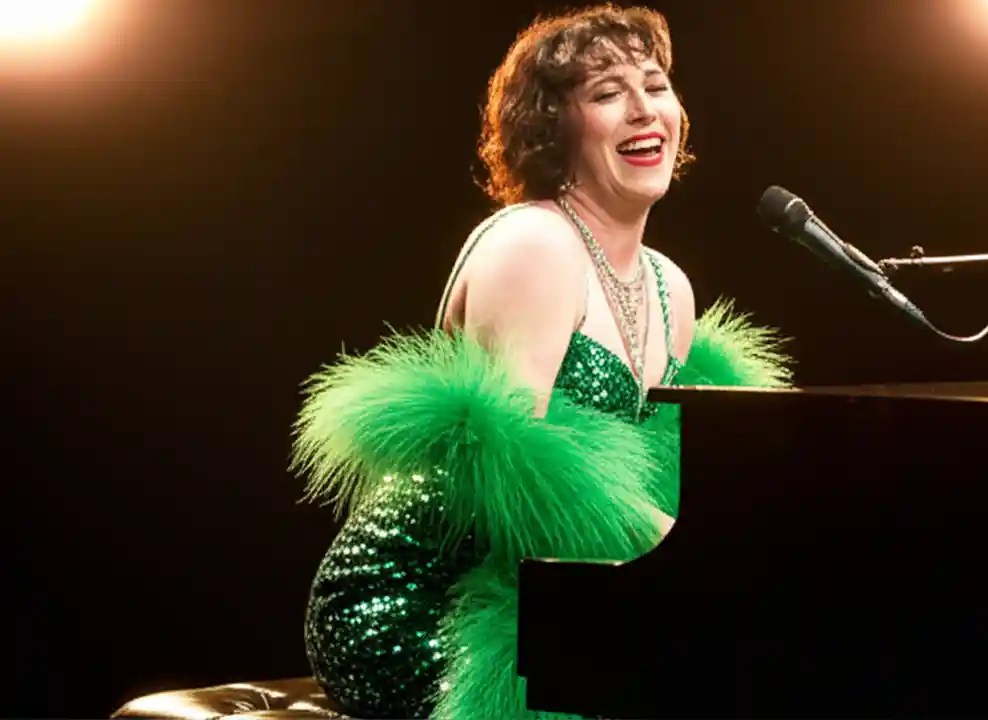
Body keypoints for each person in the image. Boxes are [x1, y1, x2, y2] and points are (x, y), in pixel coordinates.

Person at [290, 4, 793, 719]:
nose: (643, 110)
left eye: (654, 85)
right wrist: (679, 553)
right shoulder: (535, 241)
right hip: (423, 601)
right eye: (606, 94)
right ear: (553, 127)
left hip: (555, 594)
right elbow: (510, 472)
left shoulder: (667, 285)